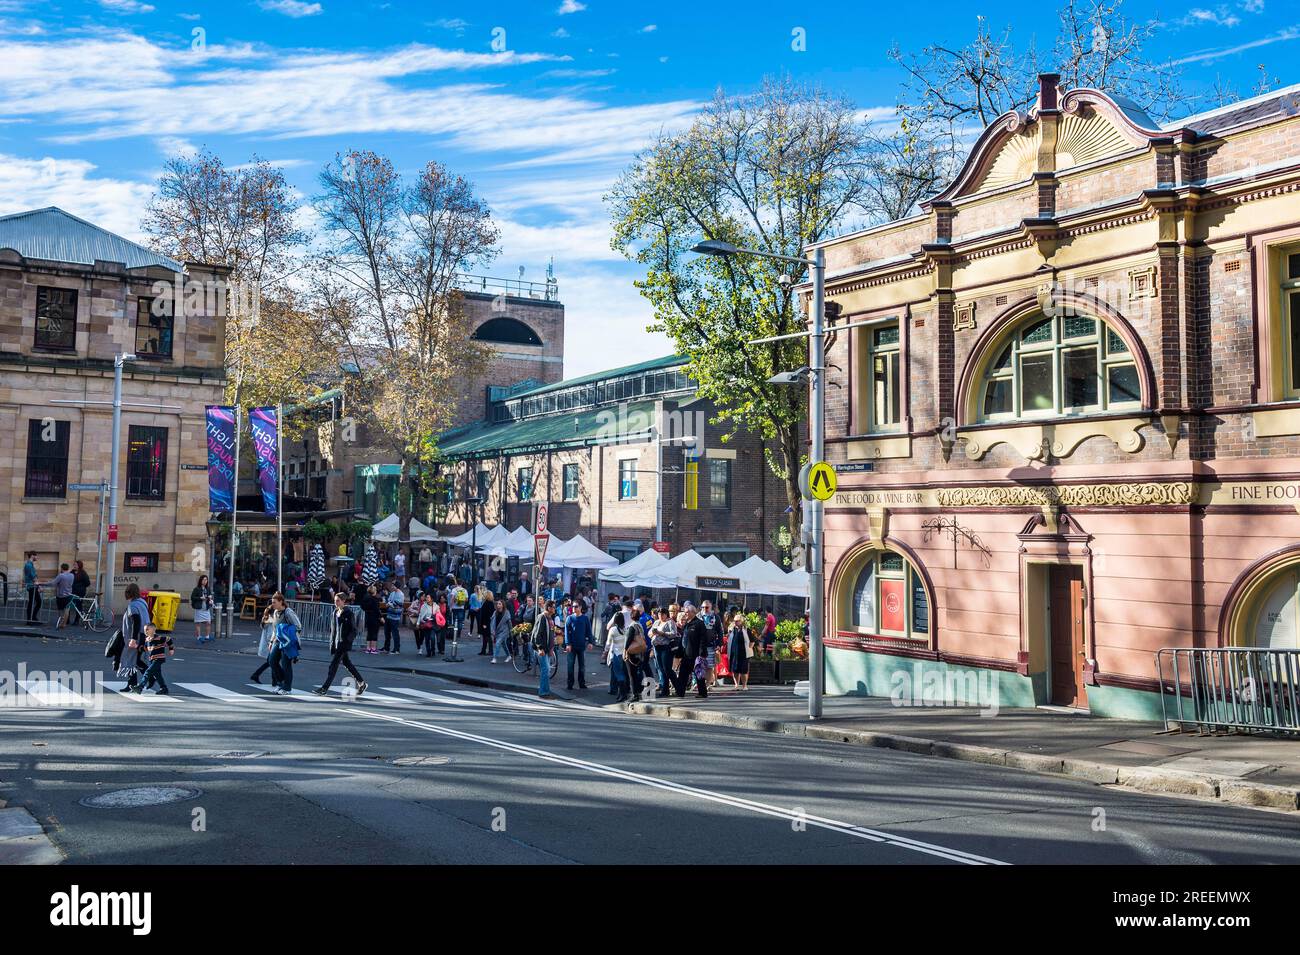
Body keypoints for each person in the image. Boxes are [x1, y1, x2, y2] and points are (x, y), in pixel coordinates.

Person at [314, 592, 367, 696]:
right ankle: (361, 683)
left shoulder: (348, 613)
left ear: (344, 601)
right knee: (347, 663)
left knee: (333, 666)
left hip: (343, 643)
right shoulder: (335, 612)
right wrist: (332, 643)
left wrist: (347, 641)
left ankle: (324, 688)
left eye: (338, 601)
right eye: (335, 601)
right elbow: (333, 630)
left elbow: (354, 630)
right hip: (337, 642)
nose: (336, 603)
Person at [266, 593, 301, 695]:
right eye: (272, 602)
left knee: (286, 664)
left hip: (287, 642)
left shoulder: (288, 612)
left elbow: (298, 625)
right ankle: (281, 683)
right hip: (277, 640)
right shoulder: (276, 612)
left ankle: (287, 688)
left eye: (274, 602)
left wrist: (289, 633)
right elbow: (275, 629)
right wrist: (271, 641)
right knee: (271, 660)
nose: (273, 605)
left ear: (281, 602)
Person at [675, 603, 710, 698]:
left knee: (699, 674)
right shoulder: (687, 624)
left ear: (693, 612)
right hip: (686, 654)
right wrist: (679, 652)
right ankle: (680, 692)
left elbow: (703, 639)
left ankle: (702, 693)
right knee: (683, 674)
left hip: (696, 654)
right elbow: (683, 639)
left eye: (687, 612)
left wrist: (701, 653)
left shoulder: (699, 623)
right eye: (684, 612)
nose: (685, 614)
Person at [121, 583, 152, 690]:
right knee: (135, 660)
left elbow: (136, 622)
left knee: (132, 660)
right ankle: (132, 683)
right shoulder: (142, 602)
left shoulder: (132, 606)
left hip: (137, 636)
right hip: (145, 634)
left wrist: (133, 639)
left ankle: (150, 677)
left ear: (129, 593)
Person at [131, 622, 175, 695]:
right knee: (158, 675)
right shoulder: (147, 639)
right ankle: (164, 688)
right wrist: (137, 647)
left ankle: (140, 687)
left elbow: (169, 639)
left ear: (154, 630)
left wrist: (171, 649)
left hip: (159, 659)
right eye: (145, 630)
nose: (146, 631)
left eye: (147, 629)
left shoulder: (159, 638)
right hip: (152, 659)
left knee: (148, 672)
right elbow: (145, 649)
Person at [649, 607, 678, 698]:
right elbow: (649, 633)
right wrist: (653, 633)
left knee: (667, 669)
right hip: (657, 647)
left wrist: (661, 633)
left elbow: (674, 633)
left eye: (662, 614)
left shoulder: (670, 622)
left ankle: (678, 687)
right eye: (659, 614)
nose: (660, 616)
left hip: (666, 647)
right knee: (661, 669)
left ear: (666, 614)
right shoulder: (657, 622)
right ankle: (665, 690)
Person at [564, 600, 592, 690]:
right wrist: (568, 644)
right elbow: (566, 632)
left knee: (582, 666)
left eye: (575, 606)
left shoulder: (585, 618)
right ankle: (570, 683)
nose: (573, 608)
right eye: (572, 606)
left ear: (580, 607)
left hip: (581, 646)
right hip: (571, 646)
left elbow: (589, 631)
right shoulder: (570, 618)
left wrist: (590, 642)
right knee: (570, 665)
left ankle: (582, 683)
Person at [532, 599, 556, 699]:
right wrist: (540, 648)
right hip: (542, 649)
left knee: (546, 670)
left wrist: (551, 648)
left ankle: (545, 691)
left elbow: (550, 633)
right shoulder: (542, 617)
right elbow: (538, 634)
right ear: (549, 608)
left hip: (547, 648)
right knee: (545, 669)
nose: (555, 609)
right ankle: (544, 692)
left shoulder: (549, 618)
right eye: (553, 607)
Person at [604, 609, 631, 702]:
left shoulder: (613, 629)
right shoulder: (626, 629)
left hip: (616, 654)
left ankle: (622, 694)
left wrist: (605, 653)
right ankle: (623, 693)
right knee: (624, 673)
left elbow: (608, 643)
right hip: (625, 654)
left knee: (619, 674)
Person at [250, 605, 276, 683]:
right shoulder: (271, 622)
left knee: (272, 662)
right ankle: (274, 680)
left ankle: (273, 680)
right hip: (270, 645)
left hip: (267, 645)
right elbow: (270, 635)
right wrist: (271, 644)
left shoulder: (266, 619)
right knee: (273, 662)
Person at [727, 611, 752, 690]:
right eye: (734, 621)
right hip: (734, 652)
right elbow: (728, 638)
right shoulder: (732, 629)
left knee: (743, 670)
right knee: (735, 670)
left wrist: (750, 647)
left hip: (744, 653)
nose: (735, 622)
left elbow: (753, 640)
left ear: (741, 621)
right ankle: (736, 685)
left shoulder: (746, 629)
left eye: (737, 621)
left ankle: (744, 686)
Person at [382, 581, 404, 654]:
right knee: (387, 632)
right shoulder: (392, 593)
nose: (392, 586)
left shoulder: (401, 594)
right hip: (389, 615)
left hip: (395, 616)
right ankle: (386, 647)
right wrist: (390, 603)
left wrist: (390, 604)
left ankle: (396, 649)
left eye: (393, 585)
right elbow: (389, 601)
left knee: (395, 633)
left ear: (396, 586)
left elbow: (397, 605)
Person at [191, 574, 213, 644]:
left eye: (206, 580)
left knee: (208, 622)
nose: (205, 581)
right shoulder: (197, 589)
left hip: (206, 608)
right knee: (198, 623)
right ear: (200, 580)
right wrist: (200, 598)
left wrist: (210, 599)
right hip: (199, 608)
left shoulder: (208, 588)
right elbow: (192, 597)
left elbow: (210, 597)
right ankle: (199, 637)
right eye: (203, 579)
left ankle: (207, 636)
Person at [489, 598, 513, 664]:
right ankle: (508, 656)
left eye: (500, 604)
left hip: (504, 631)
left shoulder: (506, 612)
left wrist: (511, 632)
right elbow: (492, 622)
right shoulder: (495, 612)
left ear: (503, 605)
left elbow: (509, 623)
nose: (498, 605)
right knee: (503, 644)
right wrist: (492, 631)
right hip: (497, 631)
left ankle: (494, 658)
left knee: (498, 643)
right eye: (497, 604)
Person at [52, 563, 74, 629]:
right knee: (67, 610)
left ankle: (61, 622)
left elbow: (53, 583)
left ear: (61, 568)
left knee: (60, 610)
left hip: (61, 595)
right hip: (68, 595)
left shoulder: (61, 576)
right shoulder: (72, 575)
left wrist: (41, 584)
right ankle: (64, 624)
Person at [360, 584, 381, 654]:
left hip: (368, 616)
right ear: (374, 591)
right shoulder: (375, 599)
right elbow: (377, 610)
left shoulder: (365, 598)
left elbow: (362, 606)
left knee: (369, 632)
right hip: (374, 617)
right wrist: (381, 617)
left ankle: (368, 648)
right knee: (374, 632)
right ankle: (373, 648)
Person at [476, 586, 496, 656]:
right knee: (485, 637)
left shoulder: (488, 603)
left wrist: (485, 624)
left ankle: (489, 650)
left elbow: (487, 614)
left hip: (486, 623)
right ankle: (484, 650)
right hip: (486, 622)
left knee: (487, 637)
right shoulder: (489, 603)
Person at [22, 553, 41, 625]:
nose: (37, 557)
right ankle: (29, 620)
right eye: (36, 556)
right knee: (32, 603)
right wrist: (39, 586)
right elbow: (33, 577)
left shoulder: (30, 565)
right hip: (31, 586)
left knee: (37, 602)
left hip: (33, 586)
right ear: (32, 556)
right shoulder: (29, 565)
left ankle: (32, 618)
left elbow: (33, 576)